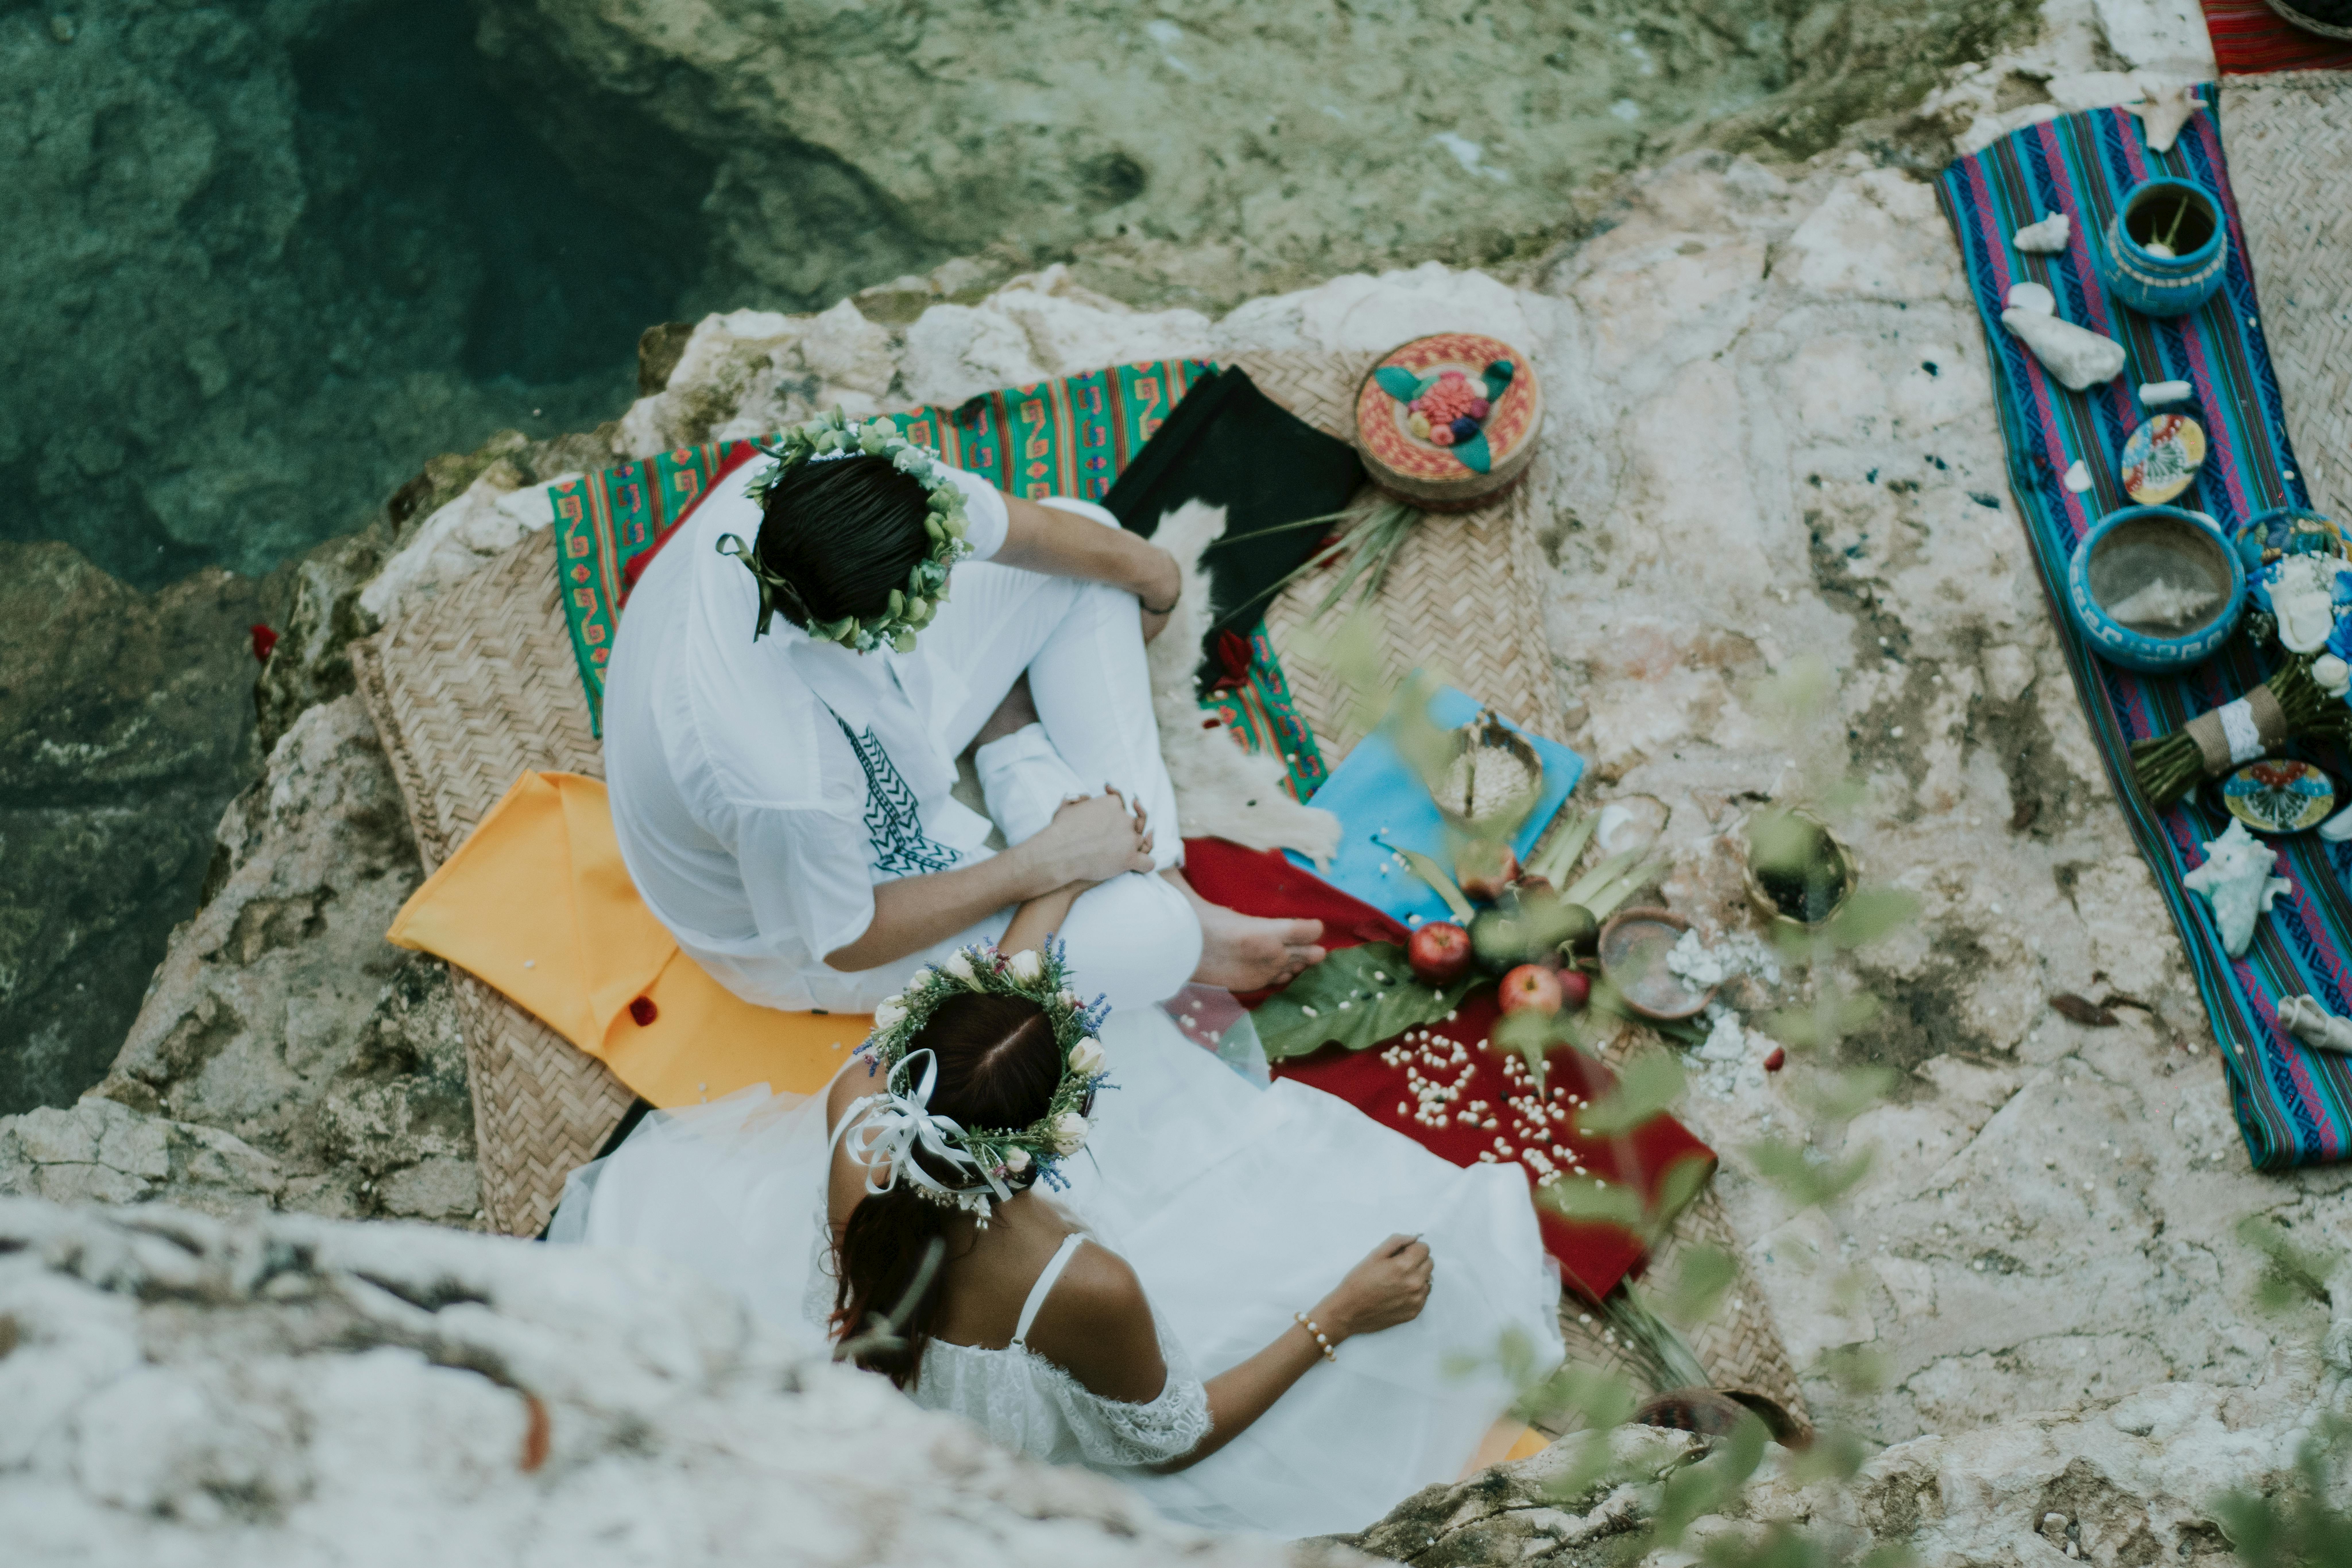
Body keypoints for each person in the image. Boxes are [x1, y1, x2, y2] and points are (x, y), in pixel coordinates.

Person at [551, 942, 1565, 1537]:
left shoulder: (860, 1114)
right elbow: (1171, 1447)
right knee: (1417, 1265)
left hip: (874, 1341)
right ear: (1039, 1146)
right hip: (990, 1454)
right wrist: (1341, 1311)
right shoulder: (1080, 1285)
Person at [600, 410, 1326, 1016]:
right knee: (1153, 943)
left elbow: (1033, 534)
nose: (959, 576)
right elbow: (845, 935)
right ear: (872, 624)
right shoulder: (778, 774)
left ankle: (1153, 863)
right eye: (938, 583)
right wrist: (1040, 867)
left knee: (1089, 559)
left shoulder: (840, 481)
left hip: (868, 700)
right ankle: (1137, 880)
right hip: (793, 923)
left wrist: (1159, 584)